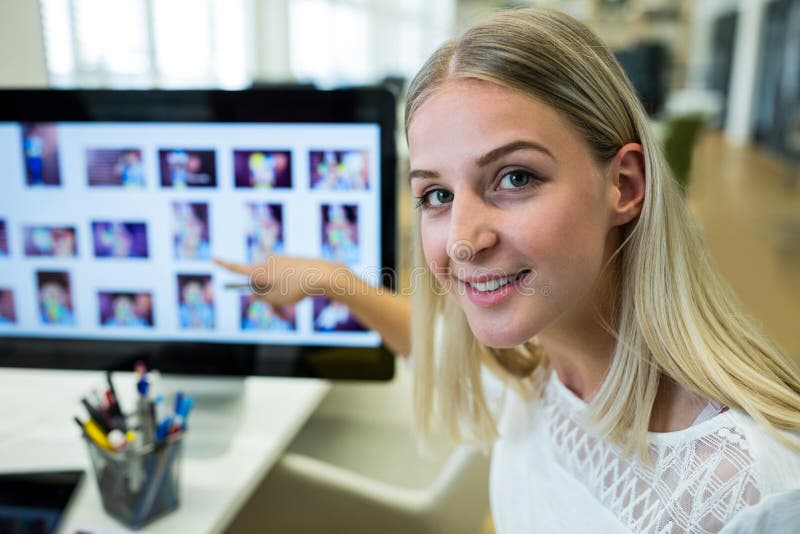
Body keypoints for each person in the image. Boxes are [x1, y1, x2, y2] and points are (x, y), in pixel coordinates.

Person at [216, 7, 800, 532]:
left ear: (624, 186)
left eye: (515, 177)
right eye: (436, 196)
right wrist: (327, 280)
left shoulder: (756, 491)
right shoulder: (543, 369)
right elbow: (433, 343)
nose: (463, 243)